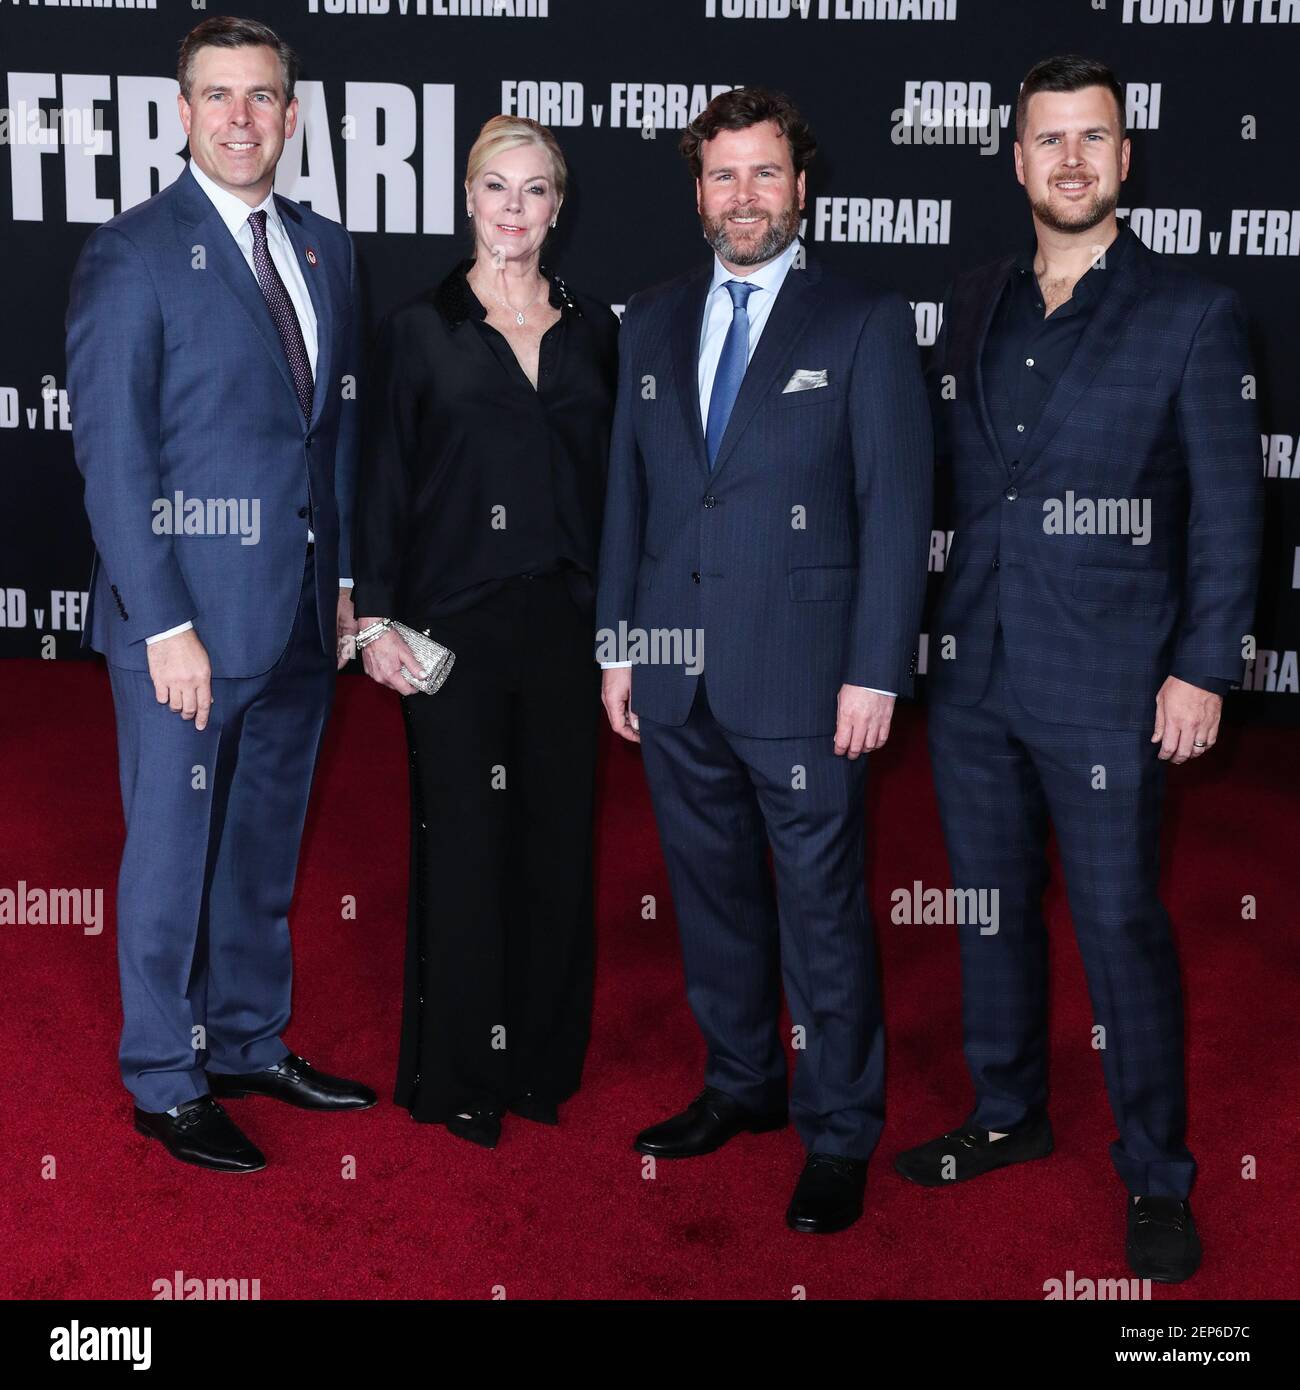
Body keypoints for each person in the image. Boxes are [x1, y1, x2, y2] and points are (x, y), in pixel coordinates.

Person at [893, 55, 1264, 1283]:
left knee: (1118, 924)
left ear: (1123, 156)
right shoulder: (972, 295)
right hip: (974, 672)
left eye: (1090, 139)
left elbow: (1228, 509)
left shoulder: (1191, 314)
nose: (1068, 160)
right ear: (1014, 158)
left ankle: (1156, 1168)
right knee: (988, 909)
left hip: (1112, 680)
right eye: (1046, 139)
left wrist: (1203, 666)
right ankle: (1008, 1111)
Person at [597, 88, 933, 1234]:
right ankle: (740, 1083)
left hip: (805, 677)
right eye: (722, 175)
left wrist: (875, 670)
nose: (743, 196)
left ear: (801, 188)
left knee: (822, 912)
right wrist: (618, 647)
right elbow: (628, 504)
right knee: (711, 898)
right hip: (673, 670)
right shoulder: (647, 319)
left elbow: (895, 510)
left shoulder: (862, 321)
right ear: (698, 194)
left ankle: (839, 1128)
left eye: (763, 174)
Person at [64, 16, 375, 1174]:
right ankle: (163, 1076)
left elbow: (327, 427)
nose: (241, 118)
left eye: (262, 97)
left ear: (292, 118)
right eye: (217, 96)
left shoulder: (327, 247)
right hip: (186, 625)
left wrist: (340, 583)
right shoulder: (134, 253)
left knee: (259, 845)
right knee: (172, 853)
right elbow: (116, 458)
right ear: (182, 113)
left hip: (296, 614)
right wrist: (165, 625)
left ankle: (247, 1039)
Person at [350, 115, 619, 1150]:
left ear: (560, 204)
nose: (514, 208)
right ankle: (458, 1069)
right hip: (449, 631)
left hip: (565, 625)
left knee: (556, 848)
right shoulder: (419, 328)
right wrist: (372, 615)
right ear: (467, 197)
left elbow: (616, 489)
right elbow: (381, 480)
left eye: (535, 190)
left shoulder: (596, 329)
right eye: (496, 188)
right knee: (462, 848)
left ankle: (542, 1061)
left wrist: (623, 630)